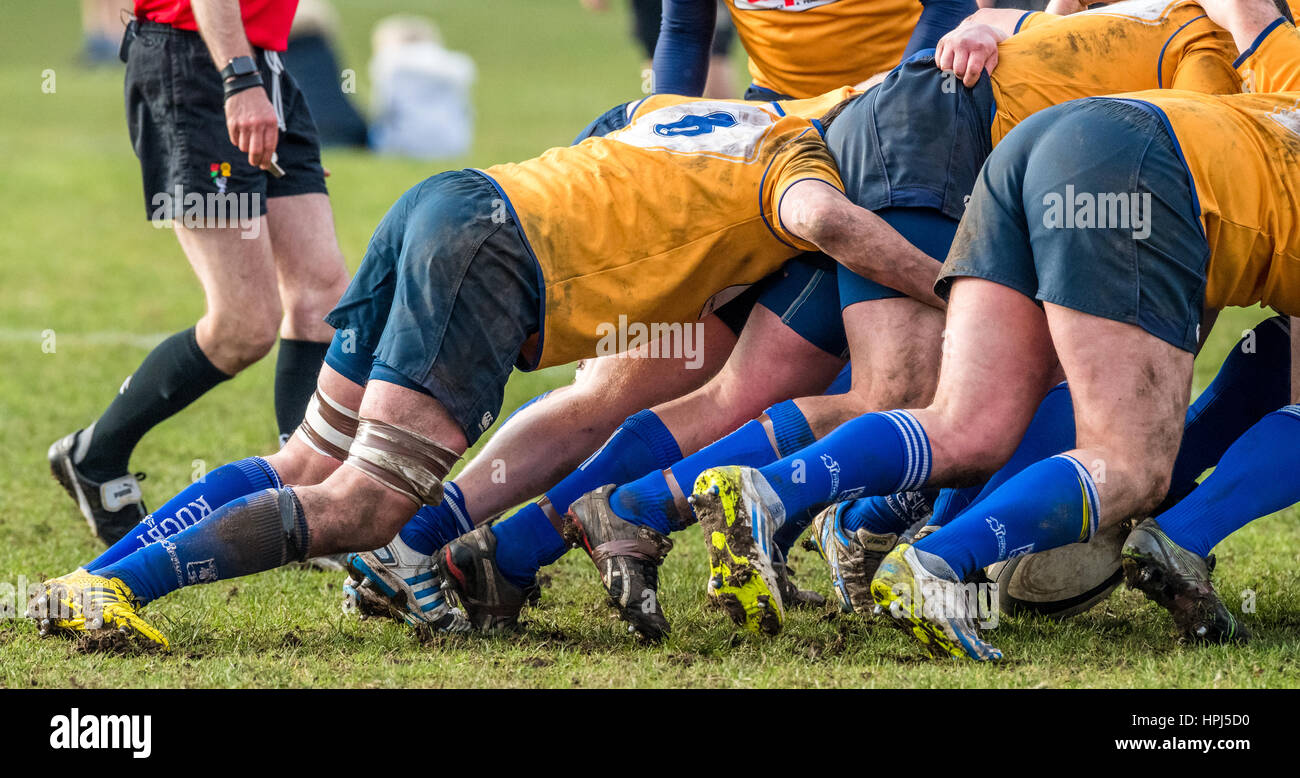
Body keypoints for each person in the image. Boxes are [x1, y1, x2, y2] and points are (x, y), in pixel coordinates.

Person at [364, 0, 1254, 640]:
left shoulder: (1108, 27)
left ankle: (499, 546)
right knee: (898, 392)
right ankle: (714, 508)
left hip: (819, 150)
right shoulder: (1199, 42)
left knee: (741, 392)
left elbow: (964, 27)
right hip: (817, 157)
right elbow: (1190, 192)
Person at [27, 92, 947, 649]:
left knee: (306, 460)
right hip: (493, 257)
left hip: (453, 197)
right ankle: (125, 588)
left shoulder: (698, 116)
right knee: (361, 506)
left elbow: (611, 143)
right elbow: (827, 223)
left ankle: (87, 582)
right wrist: (949, 289)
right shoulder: (799, 149)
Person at [686, 0, 1300, 656]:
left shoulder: (1264, 76)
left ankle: (772, 489)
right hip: (1134, 173)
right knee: (1126, 463)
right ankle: (941, 563)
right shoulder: (1226, 50)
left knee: (968, 423)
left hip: (1032, 145)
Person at [49, 0, 350, 545]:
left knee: (322, 295)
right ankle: (95, 454)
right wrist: (238, 80)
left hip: (264, 66)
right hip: (200, 67)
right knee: (244, 324)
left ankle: (308, 501)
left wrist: (255, 78)